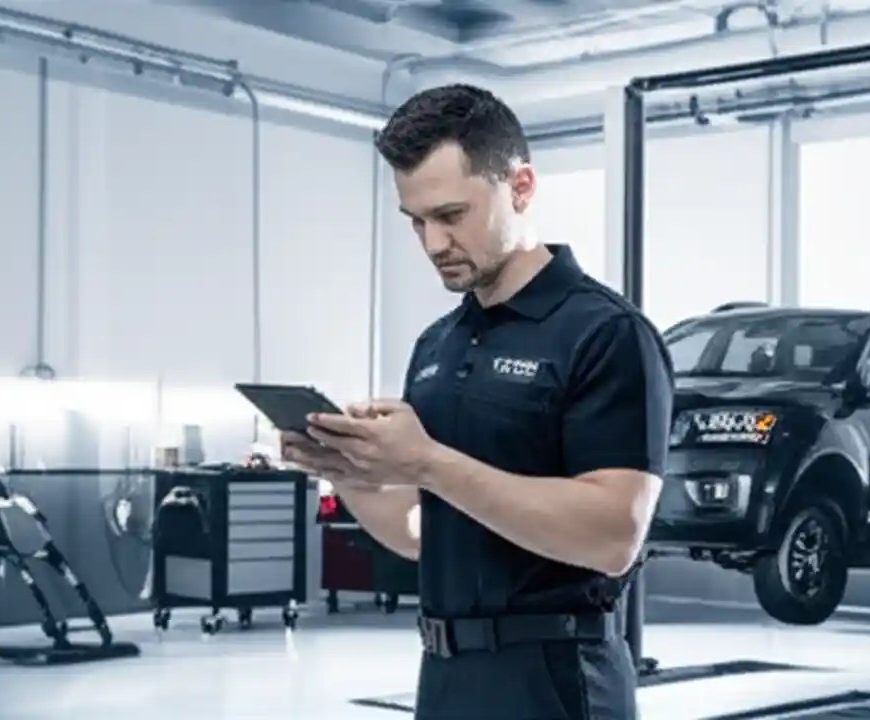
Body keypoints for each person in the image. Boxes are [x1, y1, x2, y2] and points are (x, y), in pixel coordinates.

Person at [281, 84, 675, 720]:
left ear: (520, 187)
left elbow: (614, 534)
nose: (434, 243)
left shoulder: (605, 335)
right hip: (444, 677)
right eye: (417, 221)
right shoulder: (437, 346)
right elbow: (421, 534)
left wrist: (428, 462)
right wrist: (344, 470)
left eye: (451, 215)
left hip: (556, 680)